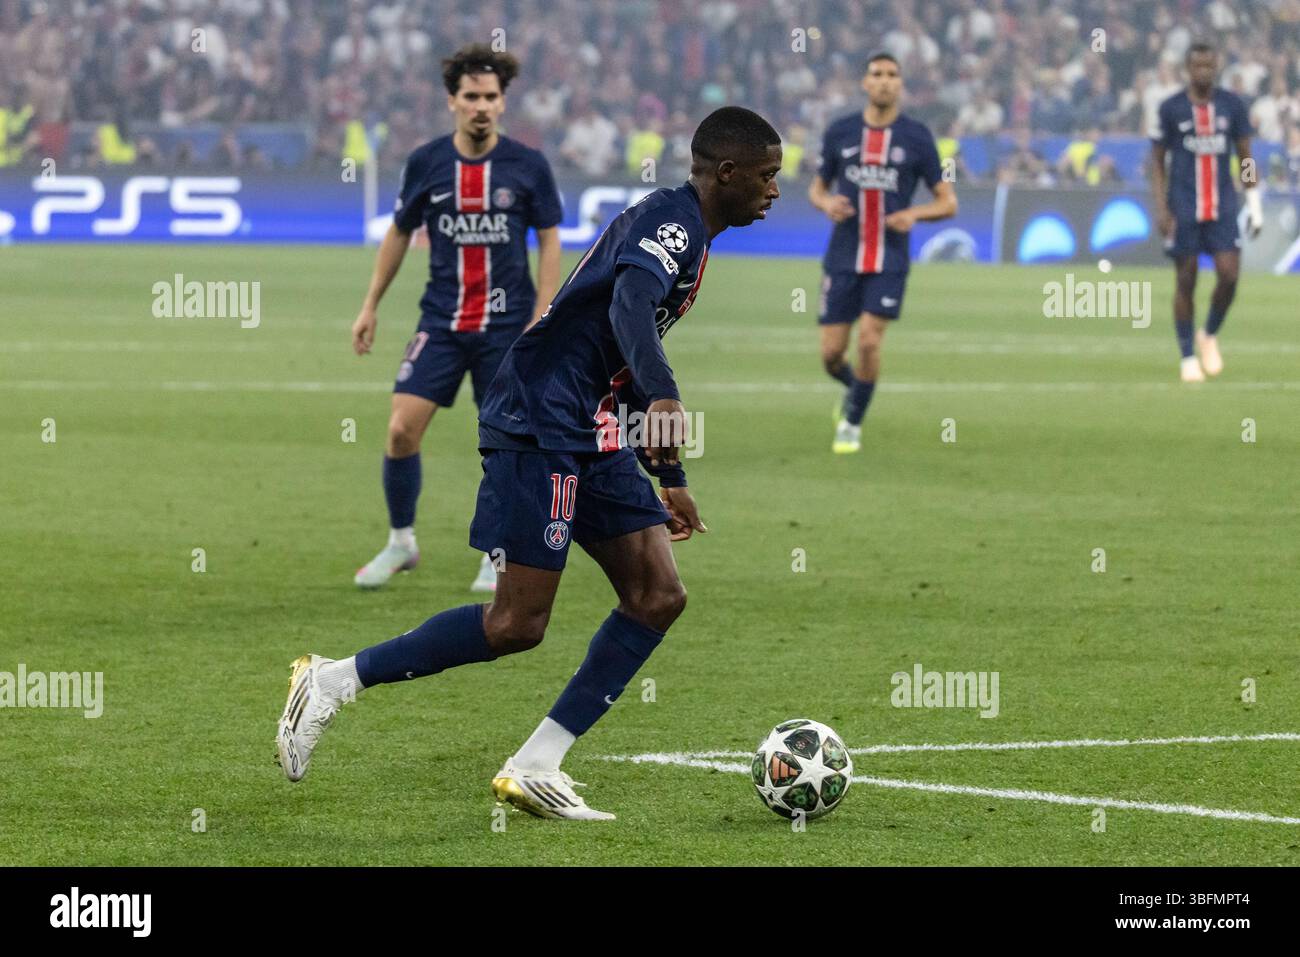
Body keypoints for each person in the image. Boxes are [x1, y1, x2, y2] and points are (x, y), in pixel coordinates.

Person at [277, 106, 783, 820]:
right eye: (767, 176)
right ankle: (331, 680)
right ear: (726, 173)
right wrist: (666, 393)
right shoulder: (671, 224)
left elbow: (621, 349)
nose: (774, 190)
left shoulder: (691, 235)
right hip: (540, 415)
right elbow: (630, 308)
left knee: (658, 594)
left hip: (589, 422)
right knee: (516, 623)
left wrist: (671, 478)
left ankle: (535, 763)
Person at [351, 45, 563, 591]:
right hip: (441, 322)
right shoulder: (426, 163)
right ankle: (402, 542)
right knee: (400, 430)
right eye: (471, 97)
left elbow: (548, 237)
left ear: (502, 103)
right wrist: (371, 304)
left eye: (491, 97)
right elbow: (399, 231)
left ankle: (499, 552)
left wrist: (544, 313)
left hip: (506, 328)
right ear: (452, 101)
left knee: (505, 445)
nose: (481, 107)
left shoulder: (527, 165)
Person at [808, 52, 957, 454]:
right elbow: (817, 189)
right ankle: (857, 391)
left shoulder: (917, 137)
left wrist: (914, 214)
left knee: (870, 342)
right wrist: (826, 205)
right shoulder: (840, 132)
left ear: (901, 84)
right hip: (842, 256)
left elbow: (947, 202)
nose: (885, 81)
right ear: (865, 83)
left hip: (889, 258)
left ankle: (852, 423)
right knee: (831, 354)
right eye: (877, 74)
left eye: (893, 74)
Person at [1150, 41, 1261, 383]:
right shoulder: (1171, 108)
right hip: (1184, 205)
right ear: (1188, 69)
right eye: (1197, 66)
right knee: (1187, 278)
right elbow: (1156, 161)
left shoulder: (1232, 105)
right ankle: (1187, 357)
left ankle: (1208, 333)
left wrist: (1254, 203)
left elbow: (1245, 156)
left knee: (1229, 275)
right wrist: (1161, 206)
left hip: (1223, 205)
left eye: (1209, 66)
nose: (1204, 72)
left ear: (1217, 68)